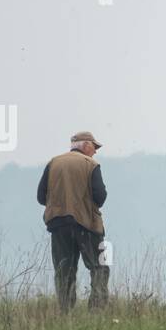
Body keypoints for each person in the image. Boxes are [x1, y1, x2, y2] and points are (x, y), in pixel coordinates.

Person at [37, 130, 109, 312]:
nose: (95, 151)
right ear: (85, 145)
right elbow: (100, 197)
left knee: (64, 271)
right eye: (94, 147)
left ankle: (65, 313)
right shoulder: (91, 164)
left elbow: (40, 196)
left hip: (58, 225)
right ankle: (97, 311)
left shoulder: (53, 163)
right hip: (89, 226)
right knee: (101, 266)